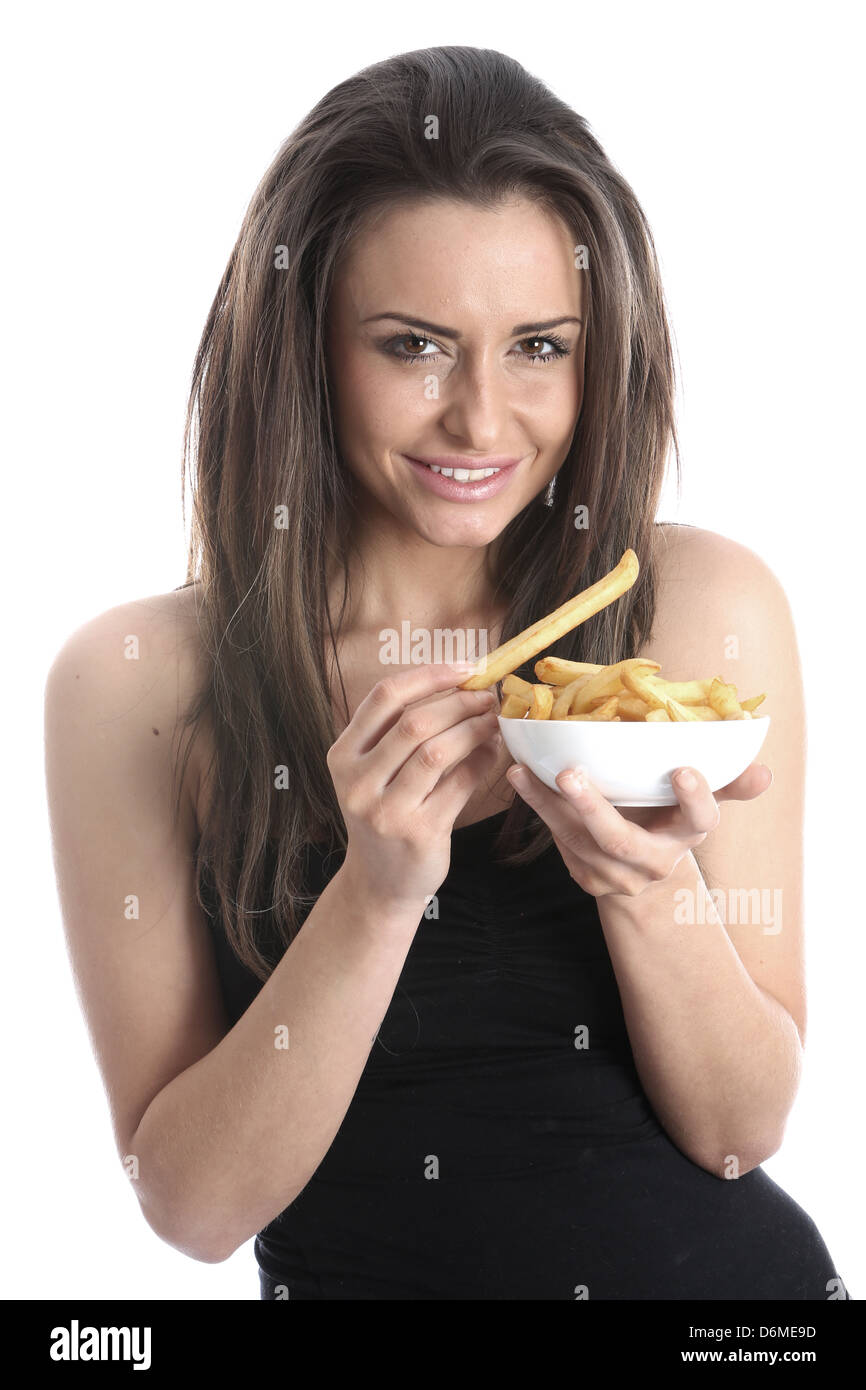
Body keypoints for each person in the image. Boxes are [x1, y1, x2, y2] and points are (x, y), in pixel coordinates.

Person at [44, 46, 849, 1301]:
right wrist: (369, 896)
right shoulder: (138, 684)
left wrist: (646, 888)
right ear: (300, 346)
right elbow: (193, 1210)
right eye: (413, 345)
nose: (481, 420)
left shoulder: (694, 612)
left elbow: (741, 1130)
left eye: (538, 346)